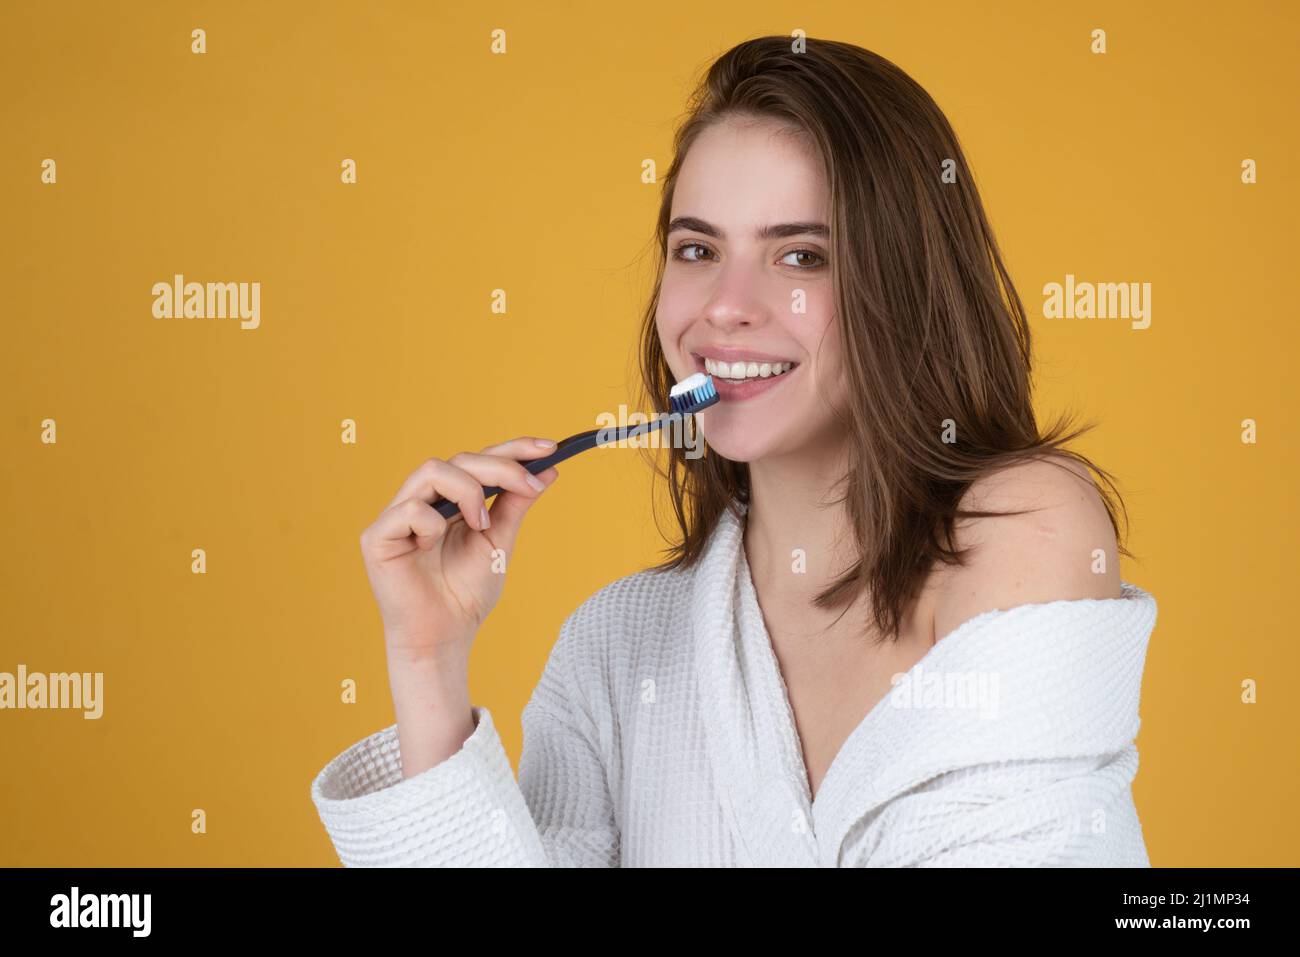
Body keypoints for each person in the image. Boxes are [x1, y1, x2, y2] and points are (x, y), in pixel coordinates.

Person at [311, 35, 1158, 867]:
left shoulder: (1022, 528)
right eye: (698, 250)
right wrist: (427, 660)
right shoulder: (616, 647)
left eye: (801, 255)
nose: (726, 305)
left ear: (905, 284)